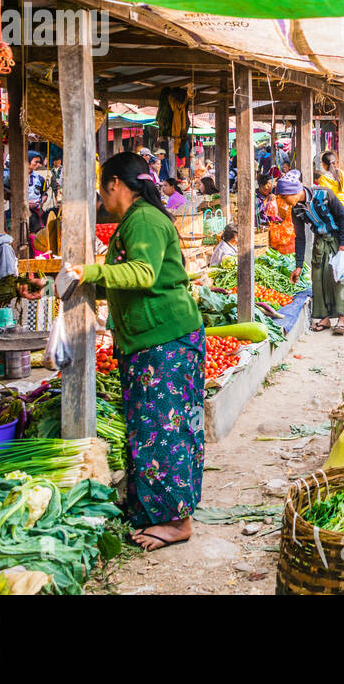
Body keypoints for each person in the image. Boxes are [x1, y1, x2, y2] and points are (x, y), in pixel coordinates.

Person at [65, 152, 206, 551]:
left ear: (114, 184)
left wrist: (88, 271)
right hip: (156, 339)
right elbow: (137, 278)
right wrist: (86, 285)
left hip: (163, 340)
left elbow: (143, 273)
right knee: (158, 429)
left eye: (101, 187)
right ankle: (159, 510)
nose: (101, 197)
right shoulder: (137, 218)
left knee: (164, 429)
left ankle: (176, 521)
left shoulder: (142, 218)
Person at [277, 170, 344, 335]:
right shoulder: (296, 209)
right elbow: (300, 237)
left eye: (284, 197)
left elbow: (343, 217)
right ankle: (324, 318)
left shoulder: (325, 194)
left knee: (339, 278)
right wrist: (298, 266)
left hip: (336, 240)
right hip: (320, 242)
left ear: (293, 191)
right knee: (318, 279)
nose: (283, 201)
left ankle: (341, 319)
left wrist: (343, 243)